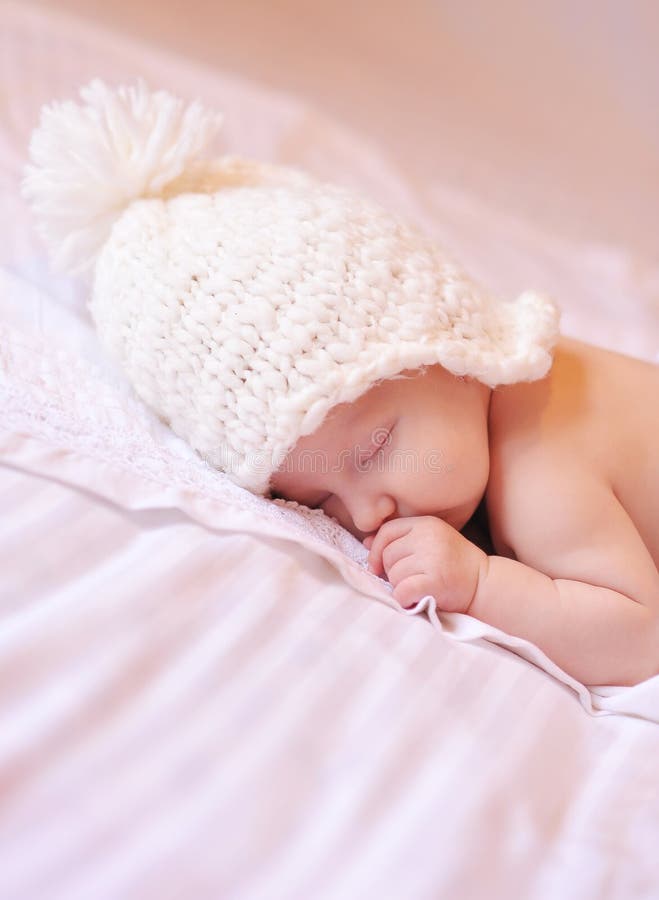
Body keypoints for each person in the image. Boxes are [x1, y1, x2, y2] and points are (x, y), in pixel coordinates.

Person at [23, 80, 659, 689]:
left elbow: (637, 638)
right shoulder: (491, 409)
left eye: (376, 449)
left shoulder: (542, 464)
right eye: (321, 499)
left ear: (451, 349)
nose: (363, 516)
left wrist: (479, 583)